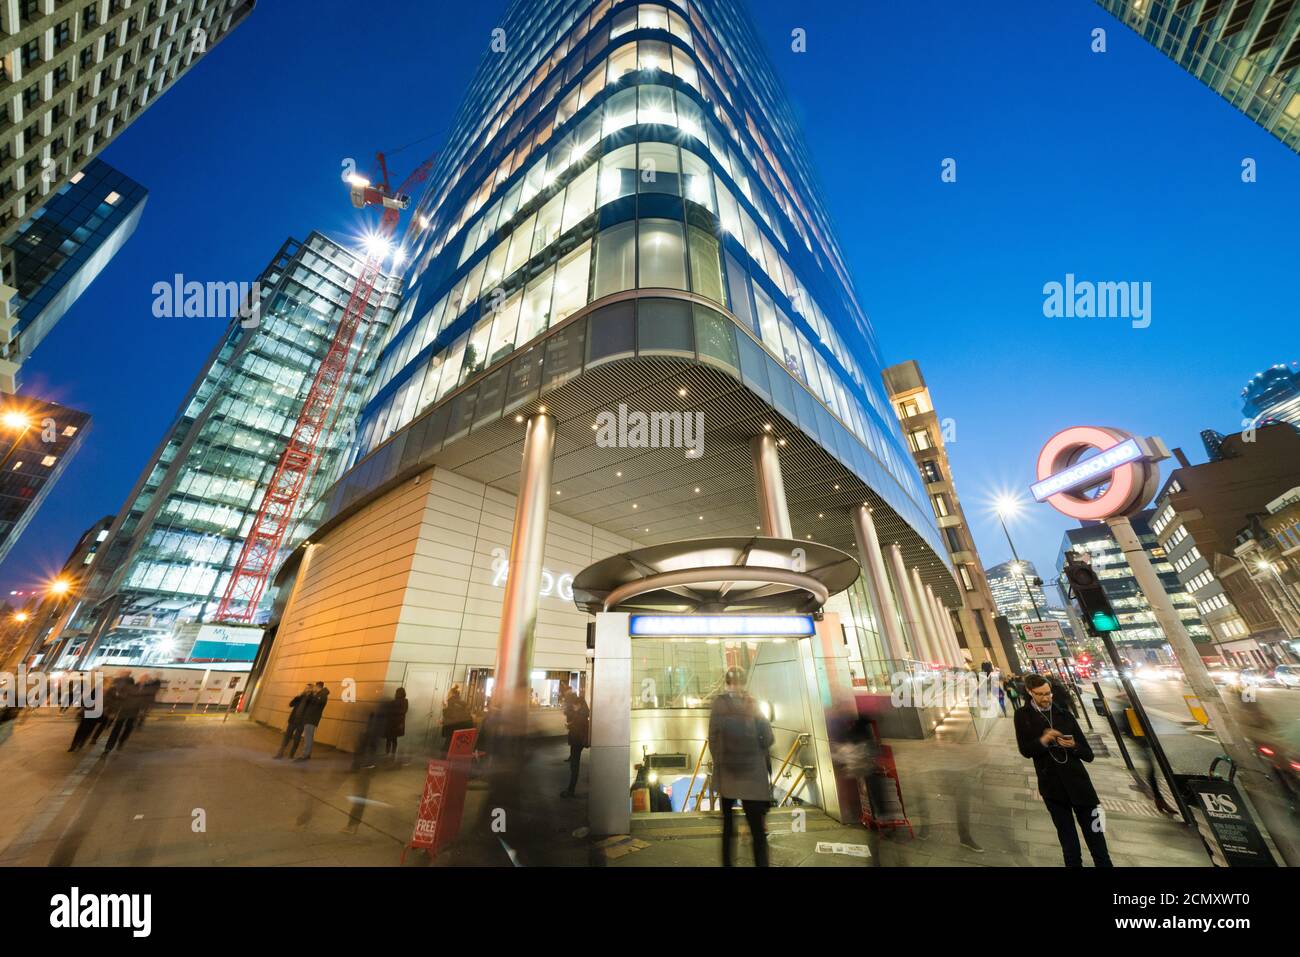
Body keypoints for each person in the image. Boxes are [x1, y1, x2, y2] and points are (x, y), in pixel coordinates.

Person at [1014, 673, 1112, 867]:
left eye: (1048, 693)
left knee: (1098, 840)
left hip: (1081, 787)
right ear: (1029, 692)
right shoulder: (1022, 716)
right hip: (1052, 788)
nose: (1046, 698)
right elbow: (1025, 750)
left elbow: (1088, 754)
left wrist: (1073, 745)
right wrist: (1044, 740)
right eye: (1040, 694)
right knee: (1069, 844)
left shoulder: (1063, 713)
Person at [707, 667, 775, 867]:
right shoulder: (752, 704)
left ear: (726, 683)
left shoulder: (719, 704)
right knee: (757, 830)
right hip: (753, 775)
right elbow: (769, 738)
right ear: (744, 683)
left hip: (727, 774)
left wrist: (720, 762)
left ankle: (728, 864)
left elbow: (712, 738)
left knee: (728, 828)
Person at [559, 684, 590, 798]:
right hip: (579, 742)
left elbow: (575, 726)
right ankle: (570, 789)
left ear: (578, 705)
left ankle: (571, 790)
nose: (573, 708)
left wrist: (569, 726)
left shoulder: (579, 716)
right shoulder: (582, 714)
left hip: (576, 741)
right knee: (574, 764)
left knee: (574, 766)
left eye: (574, 706)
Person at [275, 684, 314, 759]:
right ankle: (280, 753)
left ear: (311, 689)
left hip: (301, 722)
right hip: (293, 720)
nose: (306, 689)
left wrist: (309, 696)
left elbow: (311, 706)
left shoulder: (312, 698)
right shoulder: (300, 697)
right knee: (287, 737)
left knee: (297, 739)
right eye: (306, 687)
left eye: (308, 688)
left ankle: (291, 754)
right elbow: (291, 704)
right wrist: (297, 696)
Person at [294, 682, 328, 761]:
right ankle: (307, 754)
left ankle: (305, 755)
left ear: (318, 687)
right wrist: (309, 693)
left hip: (312, 719)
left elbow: (319, 702)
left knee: (308, 737)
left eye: (315, 687)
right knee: (308, 737)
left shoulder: (323, 695)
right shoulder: (318, 694)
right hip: (309, 719)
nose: (314, 688)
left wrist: (313, 695)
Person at [440, 684, 473, 756]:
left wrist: (445, 708)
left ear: (452, 693)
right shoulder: (463, 703)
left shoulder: (451, 701)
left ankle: (443, 762)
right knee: (456, 746)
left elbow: (450, 715)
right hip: (463, 728)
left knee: (448, 746)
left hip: (452, 728)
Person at [385, 687, 408, 757]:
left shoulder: (403, 701)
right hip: (394, 722)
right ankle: (390, 753)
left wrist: (393, 710)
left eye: (397, 692)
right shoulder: (402, 701)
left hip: (396, 723)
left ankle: (390, 753)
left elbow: (402, 711)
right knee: (391, 738)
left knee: (391, 738)